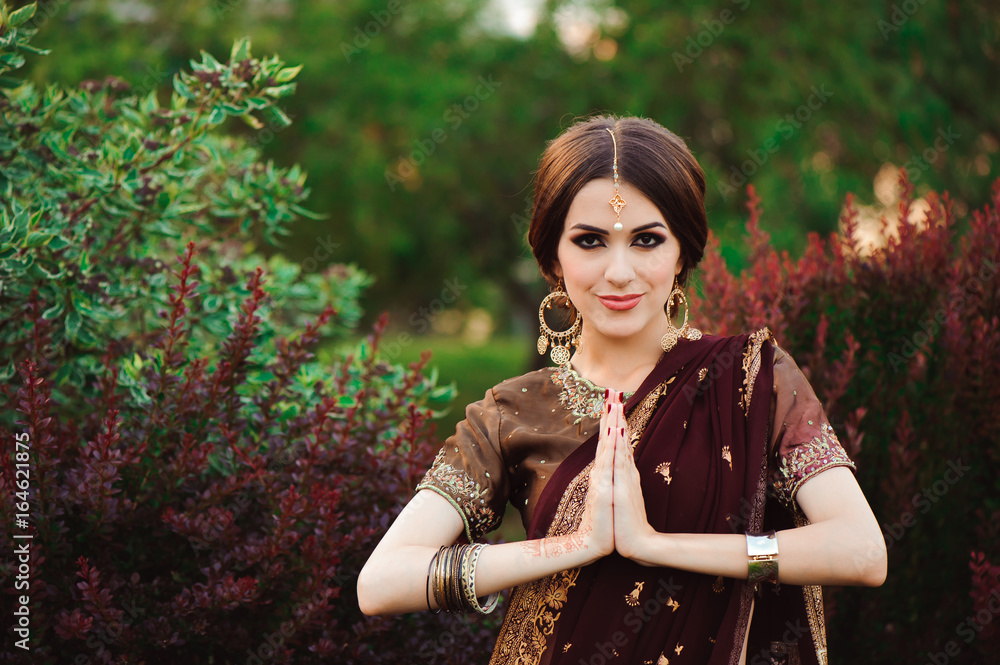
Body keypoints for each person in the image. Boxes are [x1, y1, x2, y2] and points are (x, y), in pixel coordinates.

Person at [357, 115, 887, 665]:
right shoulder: (511, 412)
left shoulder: (754, 380)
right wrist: (573, 547)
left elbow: (862, 550)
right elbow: (382, 581)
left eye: (646, 240)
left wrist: (655, 545)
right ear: (552, 257)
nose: (618, 271)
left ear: (682, 253)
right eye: (589, 241)